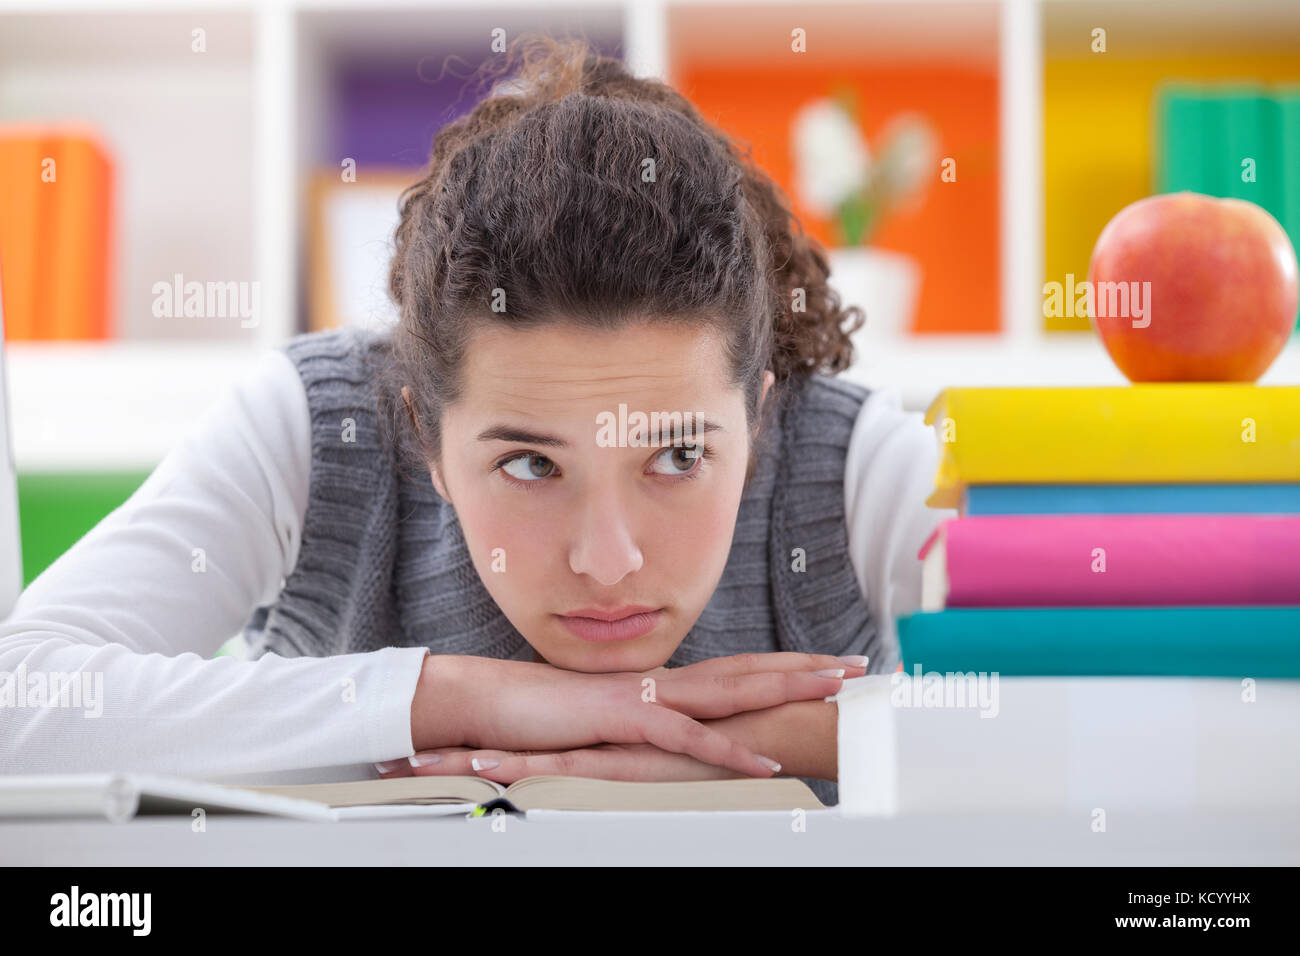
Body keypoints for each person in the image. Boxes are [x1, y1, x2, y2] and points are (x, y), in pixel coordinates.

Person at [0, 36, 952, 806]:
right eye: (533, 466)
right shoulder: (317, 424)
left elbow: (1078, 716)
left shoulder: (855, 461)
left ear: (758, 416)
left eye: (676, 455)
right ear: (428, 440)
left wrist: (771, 735)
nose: (607, 559)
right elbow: (23, 705)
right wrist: (449, 698)